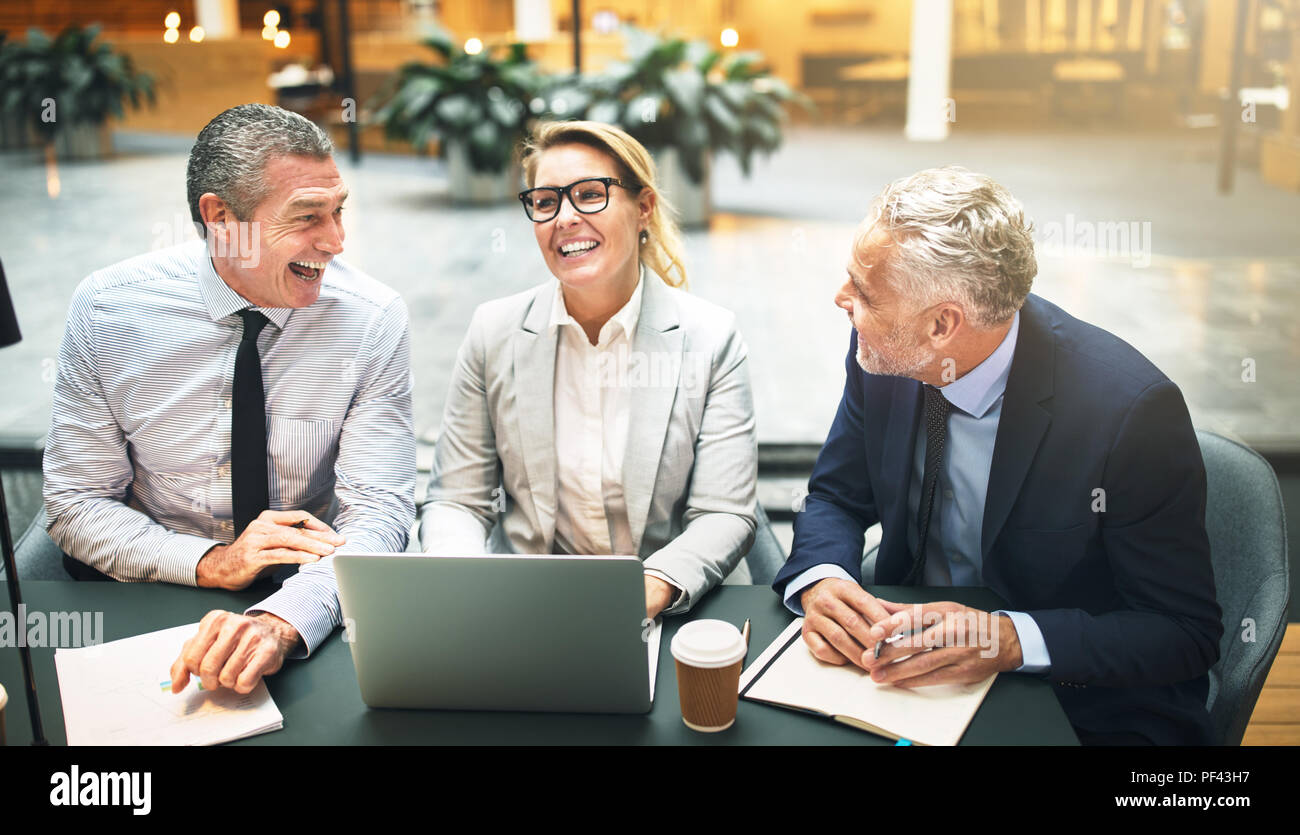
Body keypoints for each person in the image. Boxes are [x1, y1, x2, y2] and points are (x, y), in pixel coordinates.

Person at [774, 166, 1221, 745]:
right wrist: (823, 577)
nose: (842, 299)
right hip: (895, 676)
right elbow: (838, 494)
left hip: (1066, 701)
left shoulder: (1130, 413)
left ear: (941, 324)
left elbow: (1182, 632)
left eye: (863, 290)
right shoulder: (886, 352)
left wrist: (1008, 640)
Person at [40, 103, 415, 694]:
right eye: (308, 217)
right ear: (220, 217)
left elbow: (381, 512)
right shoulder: (109, 309)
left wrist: (280, 622)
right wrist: (211, 562)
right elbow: (76, 501)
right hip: (152, 585)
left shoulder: (373, 319)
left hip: (306, 590)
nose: (337, 242)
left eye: (339, 211)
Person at [419, 120, 758, 619]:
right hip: (527, 606)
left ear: (643, 208)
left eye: (589, 194)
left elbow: (722, 512)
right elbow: (458, 500)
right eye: (545, 201)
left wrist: (650, 590)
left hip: (668, 607)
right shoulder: (494, 332)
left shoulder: (711, 338)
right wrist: (466, 583)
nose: (566, 218)